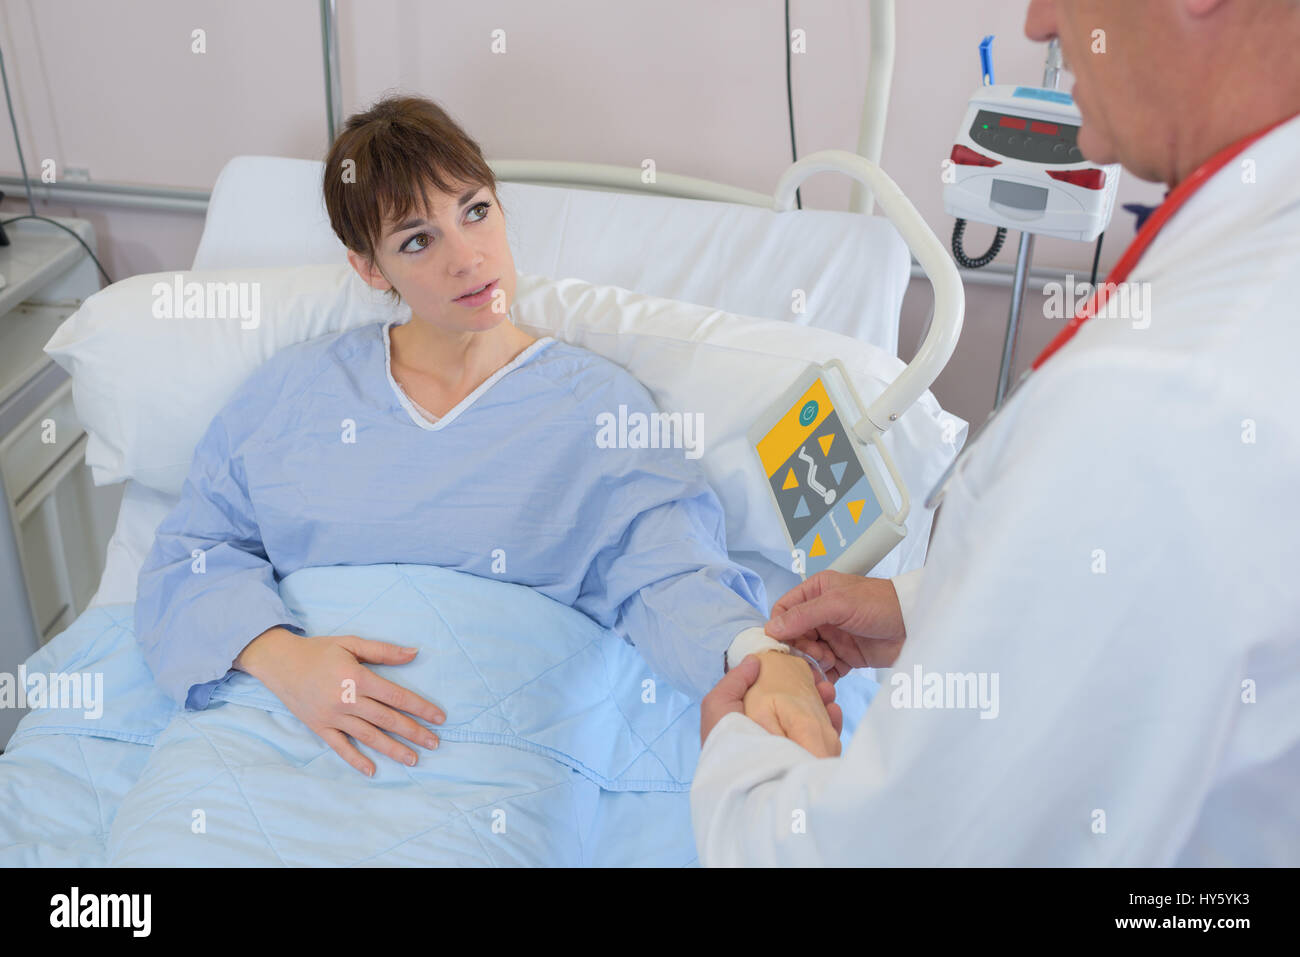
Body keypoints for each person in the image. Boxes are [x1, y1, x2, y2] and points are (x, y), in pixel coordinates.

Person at [691, 0, 1300, 865]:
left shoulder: (1159, 401)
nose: (1040, 23)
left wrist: (741, 763)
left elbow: (890, 853)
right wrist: (928, 605)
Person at [134, 95, 841, 778]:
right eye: (418, 240)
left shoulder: (597, 407)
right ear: (369, 268)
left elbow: (667, 570)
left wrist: (763, 658)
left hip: (487, 757)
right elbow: (192, 550)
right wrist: (282, 657)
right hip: (269, 735)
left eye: (476, 211)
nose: (468, 258)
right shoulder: (293, 394)